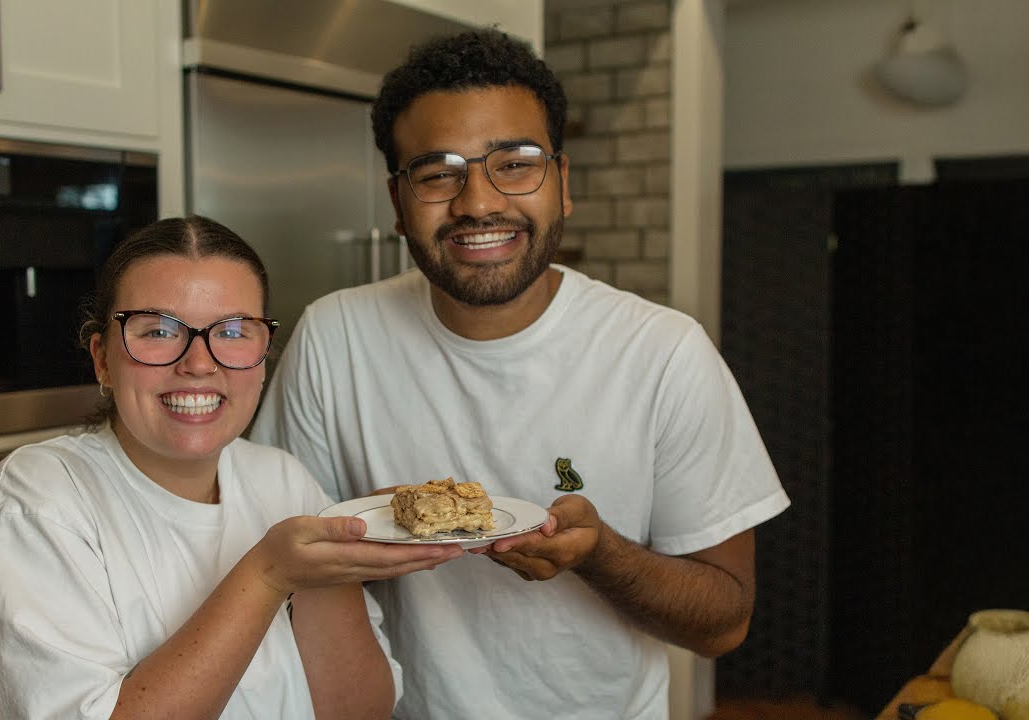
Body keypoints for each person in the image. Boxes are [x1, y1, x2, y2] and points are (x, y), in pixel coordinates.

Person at [250, 29, 791, 720]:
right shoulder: (335, 336)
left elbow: (724, 623)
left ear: (562, 184)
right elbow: (275, 565)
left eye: (515, 163)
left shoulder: (663, 354)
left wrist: (601, 555)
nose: (477, 202)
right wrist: (364, 537)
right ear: (397, 201)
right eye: (438, 172)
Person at [0, 216, 463, 719]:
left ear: (263, 355)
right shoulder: (33, 507)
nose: (199, 363)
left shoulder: (281, 480)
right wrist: (268, 575)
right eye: (159, 331)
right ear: (102, 358)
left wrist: (339, 557)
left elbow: (357, 711)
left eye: (234, 330)